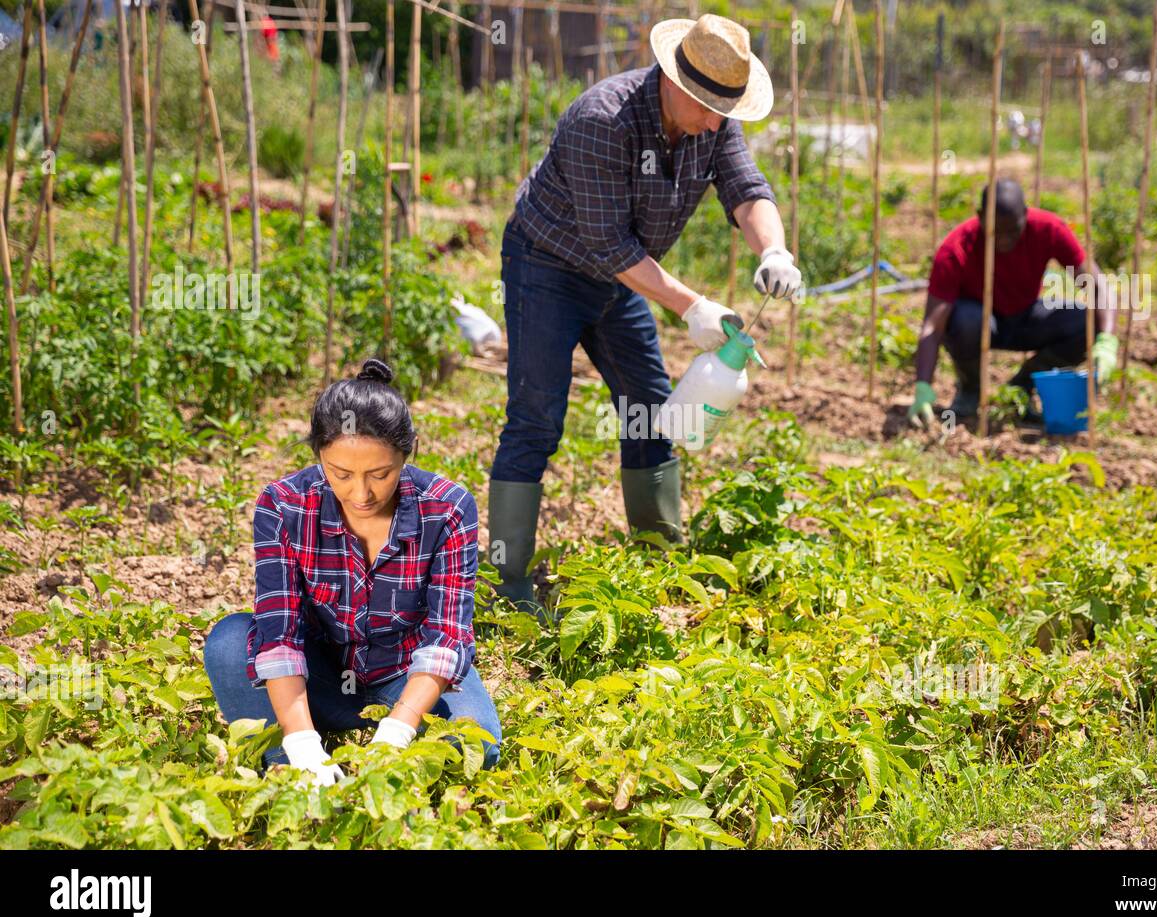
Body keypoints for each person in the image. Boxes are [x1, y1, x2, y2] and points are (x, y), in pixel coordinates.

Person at [490, 14, 801, 607]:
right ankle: (506, 580)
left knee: (651, 410)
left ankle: (658, 558)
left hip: (621, 279)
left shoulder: (714, 123)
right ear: (674, 84)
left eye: (724, 112)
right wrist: (693, 307)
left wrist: (774, 248)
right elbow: (609, 245)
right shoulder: (601, 119)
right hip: (547, 266)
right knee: (536, 416)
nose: (716, 123)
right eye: (708, 108)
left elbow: (746, 190)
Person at [204, 359, 501, 785]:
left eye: (380, 474)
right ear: (318, 455)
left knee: (478, 744)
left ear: (408, 450)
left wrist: (398, 730)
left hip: (407, 673)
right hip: (318, 676)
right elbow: (279, 629)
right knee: (229, 642)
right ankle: (294, 762)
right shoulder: (285, 504)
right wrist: (301, 739)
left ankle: (387, 747)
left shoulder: (448, 508)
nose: (361, 493)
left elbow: (447, 635)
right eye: (340, 474)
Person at [908, 178, 1119, 426]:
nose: (1004, 239)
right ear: (980, 217)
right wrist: (923, 384)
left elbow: (1098, 287)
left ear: (1026, 215)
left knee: (1085, 322)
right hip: (980, 323)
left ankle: (1021, 387)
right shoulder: (957, 248)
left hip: (1026, 317)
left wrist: (1107, 340)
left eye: (1013, 230)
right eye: (995, 231)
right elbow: (933, 325)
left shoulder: (1047, 229)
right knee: (966, 319)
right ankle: (970, 390)